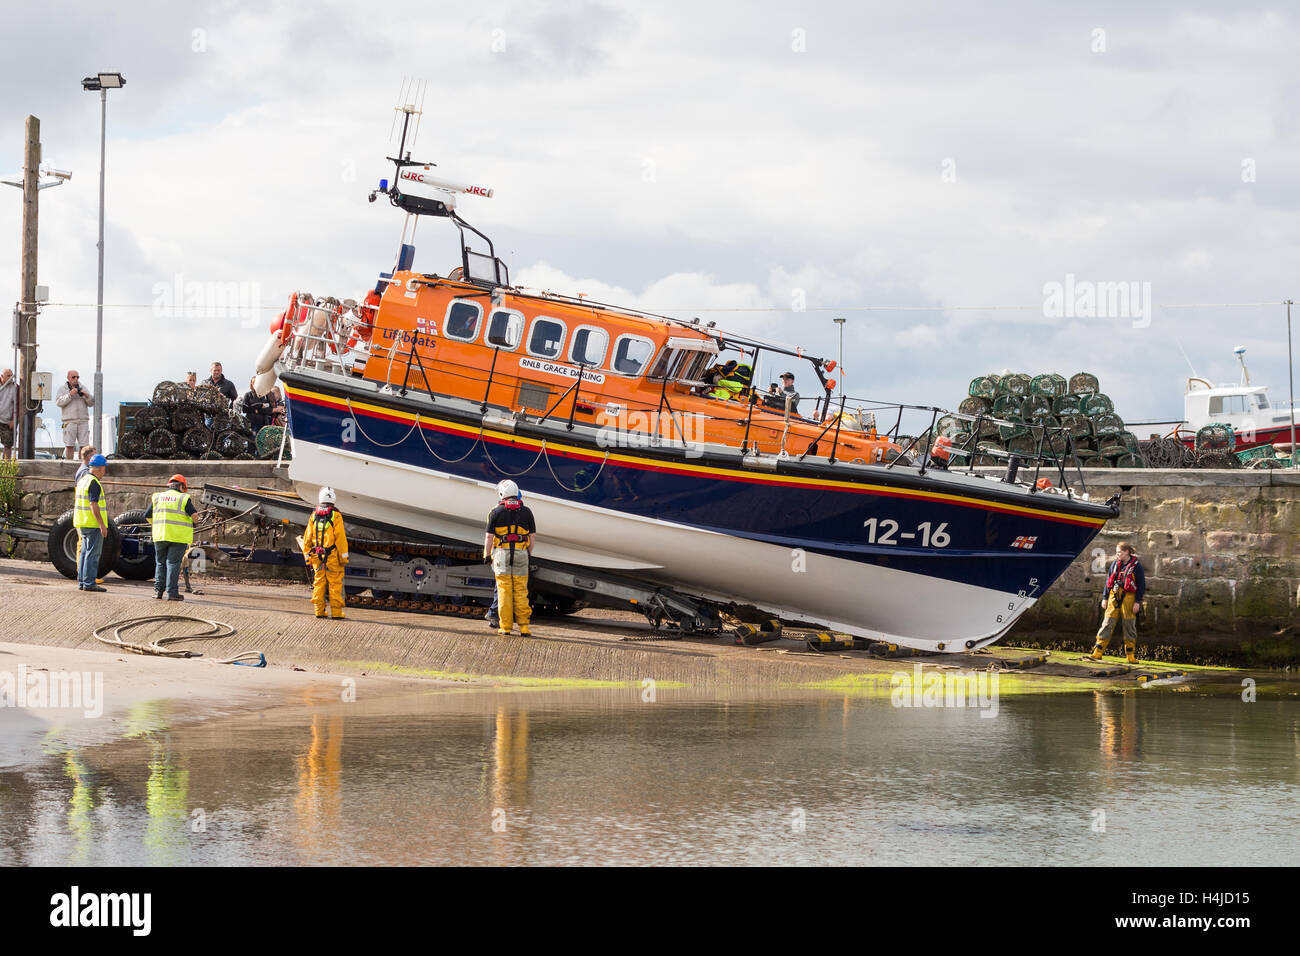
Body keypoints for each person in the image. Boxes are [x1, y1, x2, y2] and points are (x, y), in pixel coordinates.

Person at [484, 479, 536, 637]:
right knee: (521, 591)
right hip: (521, 553)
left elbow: (489, 537)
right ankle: (524, 627)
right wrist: (528, 552)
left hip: (501, 554)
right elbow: (532, 537)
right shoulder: (527, 511)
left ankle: (505, 627)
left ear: (502, 493)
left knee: (504, 592)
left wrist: (486, 555)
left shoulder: (495, 512)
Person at [1090, 541, 1146, 663]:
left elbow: (1141, 586)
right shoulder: (1115, 564)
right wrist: (1104, 598)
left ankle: (1130, 655)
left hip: (1129, 598)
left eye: (1119, 552)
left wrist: (1138, 602)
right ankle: (1097, 652)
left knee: (1129, 625)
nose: (1117, 554)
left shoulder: (1137, 566)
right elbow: (1108, 582)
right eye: (1116, 552)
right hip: (1113, 596)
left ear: (1127, 552)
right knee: (1107, 623)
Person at [145, 473, 196, 601]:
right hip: (177, 537)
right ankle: (172, 593)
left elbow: (147, 515)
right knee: (173, 563)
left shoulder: (158, 497)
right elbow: (194, 515)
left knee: (160, 563)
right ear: (181, 486)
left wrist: (157, 525)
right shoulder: (183, 498)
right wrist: (194, 523)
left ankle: (158, 592)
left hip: (160, 536)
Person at [302, 486, 349, 619]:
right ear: (333, 499)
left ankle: (319, 611)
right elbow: (340, 539)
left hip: (317, 555)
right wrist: (344, 558)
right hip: (332, 556)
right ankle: (336, 613)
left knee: (319, 582)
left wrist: (307, 556)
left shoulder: (314, 515)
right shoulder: (336, 516)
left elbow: (307, 537)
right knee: (335, 583)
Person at [73, 454, 109, 592]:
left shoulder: (83, 480)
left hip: (82, 521)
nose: (104, 471)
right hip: (92, 523)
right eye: (104, 468)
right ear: (99, 468)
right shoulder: (94, 482)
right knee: (92, 554)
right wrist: (101, 524)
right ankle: (89, 583)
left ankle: (82, 582)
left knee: (84, 553)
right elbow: (93, 504)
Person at [55, 370, 95, 461]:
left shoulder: (83, 387)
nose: (76, 379)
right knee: (69, 445)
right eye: (73, 377)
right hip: (69, 421)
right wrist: (70, 395)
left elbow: (91, 403)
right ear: (68, 378)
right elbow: (58, 402)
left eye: (77, 377)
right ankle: (69, 464)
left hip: (83, 421)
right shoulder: (62, 389)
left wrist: (87, 395)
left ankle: (82, 464)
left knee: (84, 446)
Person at [0, 368, 16, 459]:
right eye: (8, 376)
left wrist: (14, 419)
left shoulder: (15, 388)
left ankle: (5, 467)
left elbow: (17, 405)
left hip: (7, 421)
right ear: (2, 376)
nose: (11, 378)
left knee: (8, 444)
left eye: (12, 376)